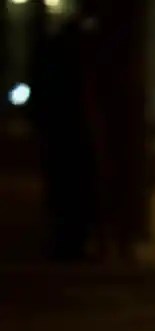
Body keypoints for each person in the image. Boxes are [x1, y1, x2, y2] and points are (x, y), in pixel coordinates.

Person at [30, 16, 97, 263]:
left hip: (62, 137)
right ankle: (69, 243)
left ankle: (68, 243)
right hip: (67, 137)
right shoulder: (67, 62)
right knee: (70, 193)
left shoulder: (56, 58)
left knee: (66, 194)